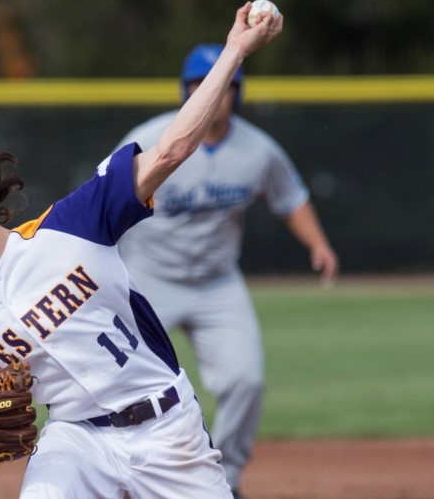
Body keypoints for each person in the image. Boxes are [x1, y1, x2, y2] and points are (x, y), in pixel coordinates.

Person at [0, 2, 282, 498]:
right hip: (75, 442)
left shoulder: (73, 225)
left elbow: (171, 150)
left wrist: (235, 50)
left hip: (167, 428)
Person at [113, 42, 339, 498]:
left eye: (222, 85)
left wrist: (318, 244)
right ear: (185, 90)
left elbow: (290, 199)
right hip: (145, 280)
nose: (210, 93)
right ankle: (117, 476)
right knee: (118, 382)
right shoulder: (149, 138)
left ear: (237, 91)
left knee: (245, 380)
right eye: (198, 84)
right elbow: (102, 204)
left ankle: (227, 479)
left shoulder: (257, 150)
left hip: (217, 282)